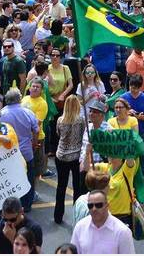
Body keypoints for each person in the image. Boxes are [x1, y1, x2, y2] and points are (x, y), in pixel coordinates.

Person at [70, 190, 135, 254]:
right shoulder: (80, 227)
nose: (94, 209)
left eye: (98, 205)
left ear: (107, 206)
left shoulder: (122, 232)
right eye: (90, 206)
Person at [54, 95, 85, 224]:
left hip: (61, 155)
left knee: (61, 186)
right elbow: (83, 134)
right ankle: (77, 216)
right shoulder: (81, 120)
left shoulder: (61, 120)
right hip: (76, 156)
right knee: (77, 187)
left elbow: (58, 134)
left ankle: (58, 216)